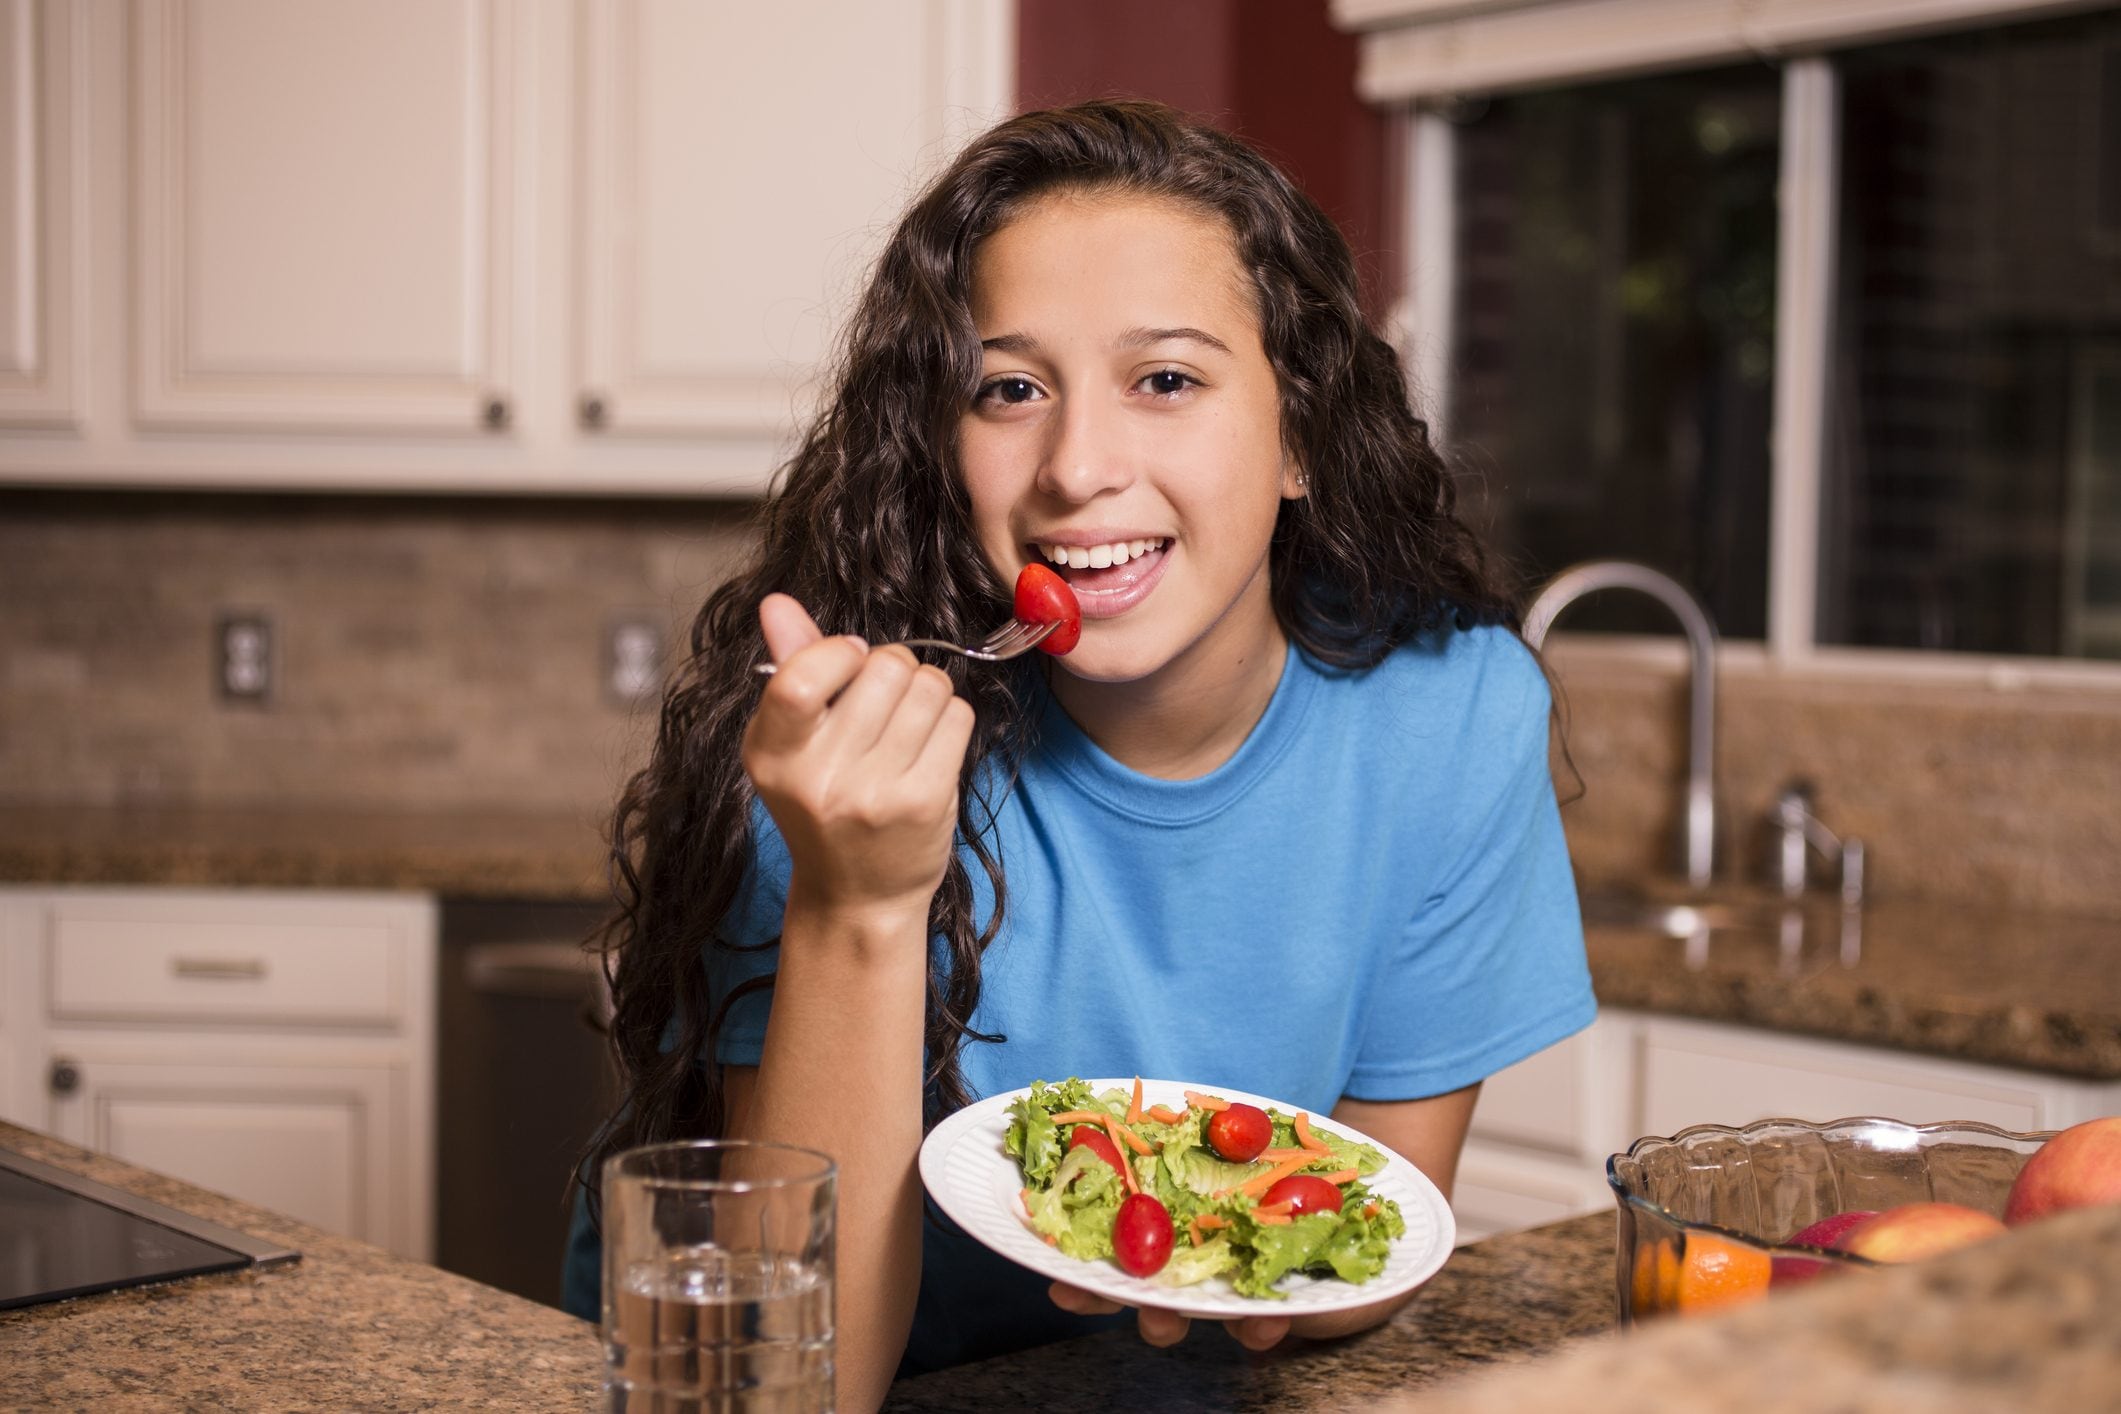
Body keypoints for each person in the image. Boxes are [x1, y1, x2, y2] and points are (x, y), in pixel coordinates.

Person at [562, 99, 1594, 1412]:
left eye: (1164, 380)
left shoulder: (1450, 714)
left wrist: (1238, 1277)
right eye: (1010, 389)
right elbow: (788, 1384)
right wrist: (858, 899)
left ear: (1299, 434)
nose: (1076, 468)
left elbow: (1377, 1224)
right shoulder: (841, 752)